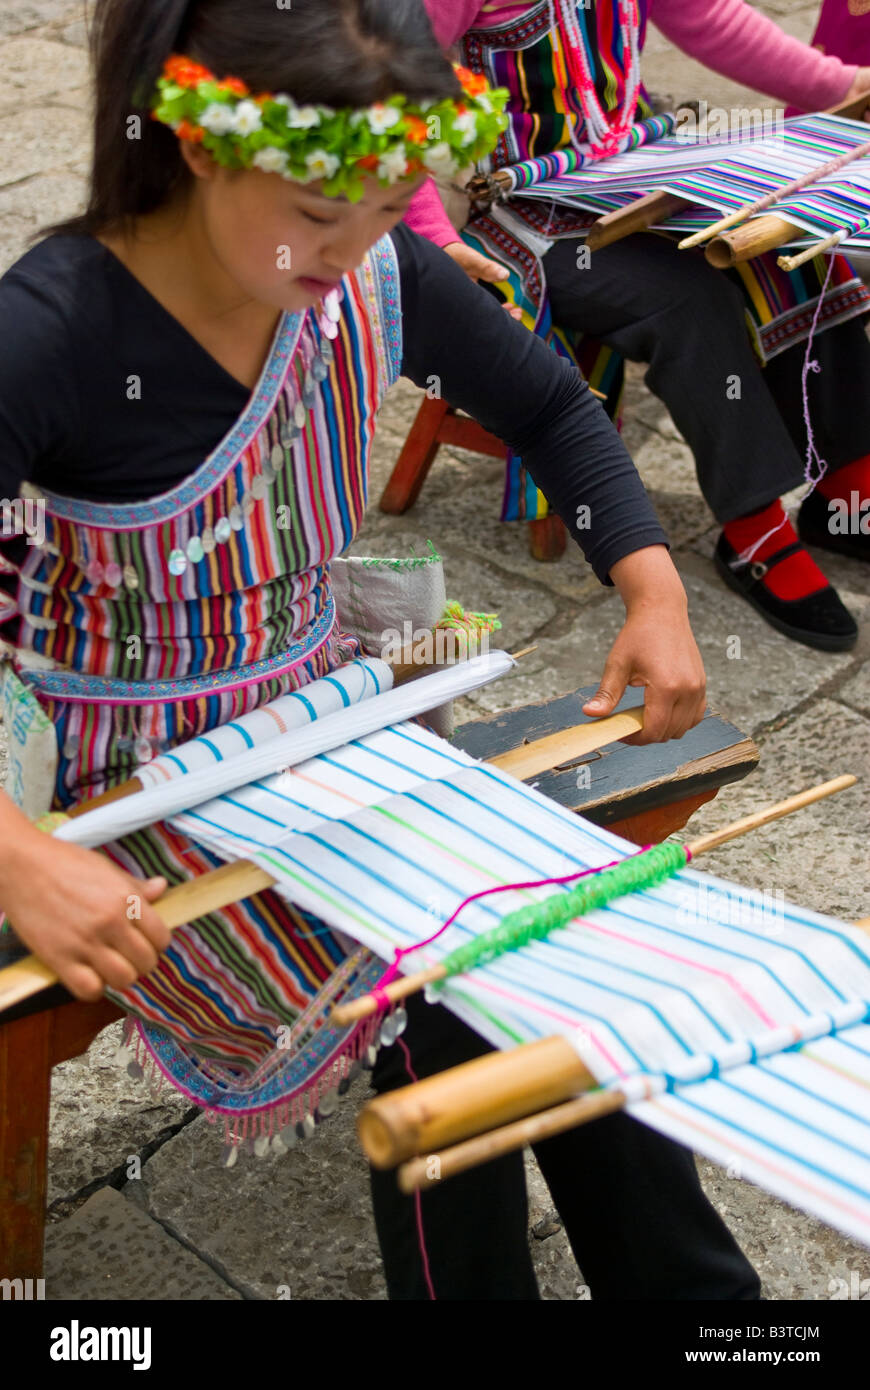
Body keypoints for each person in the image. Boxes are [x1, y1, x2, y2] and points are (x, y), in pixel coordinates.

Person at [0, 0, 755, 1301]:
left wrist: (649, 586)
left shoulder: (371, 272)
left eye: (381, 202)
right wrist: (18, 856)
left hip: (326, 693)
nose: (343, 247)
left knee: (553, 930)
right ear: (195, 142)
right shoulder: (56, 329)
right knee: (433, 993)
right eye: (310, 200)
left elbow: (549, 404)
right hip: (126, 766)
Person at [407, 0, 870, 652]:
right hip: (528, 210)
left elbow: (709, 18)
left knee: (800, 253)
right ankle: (755, 531)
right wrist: (433, 241)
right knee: (691, 302)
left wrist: (842, 86)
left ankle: (847, 489)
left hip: (640, 170)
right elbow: (393, 84)